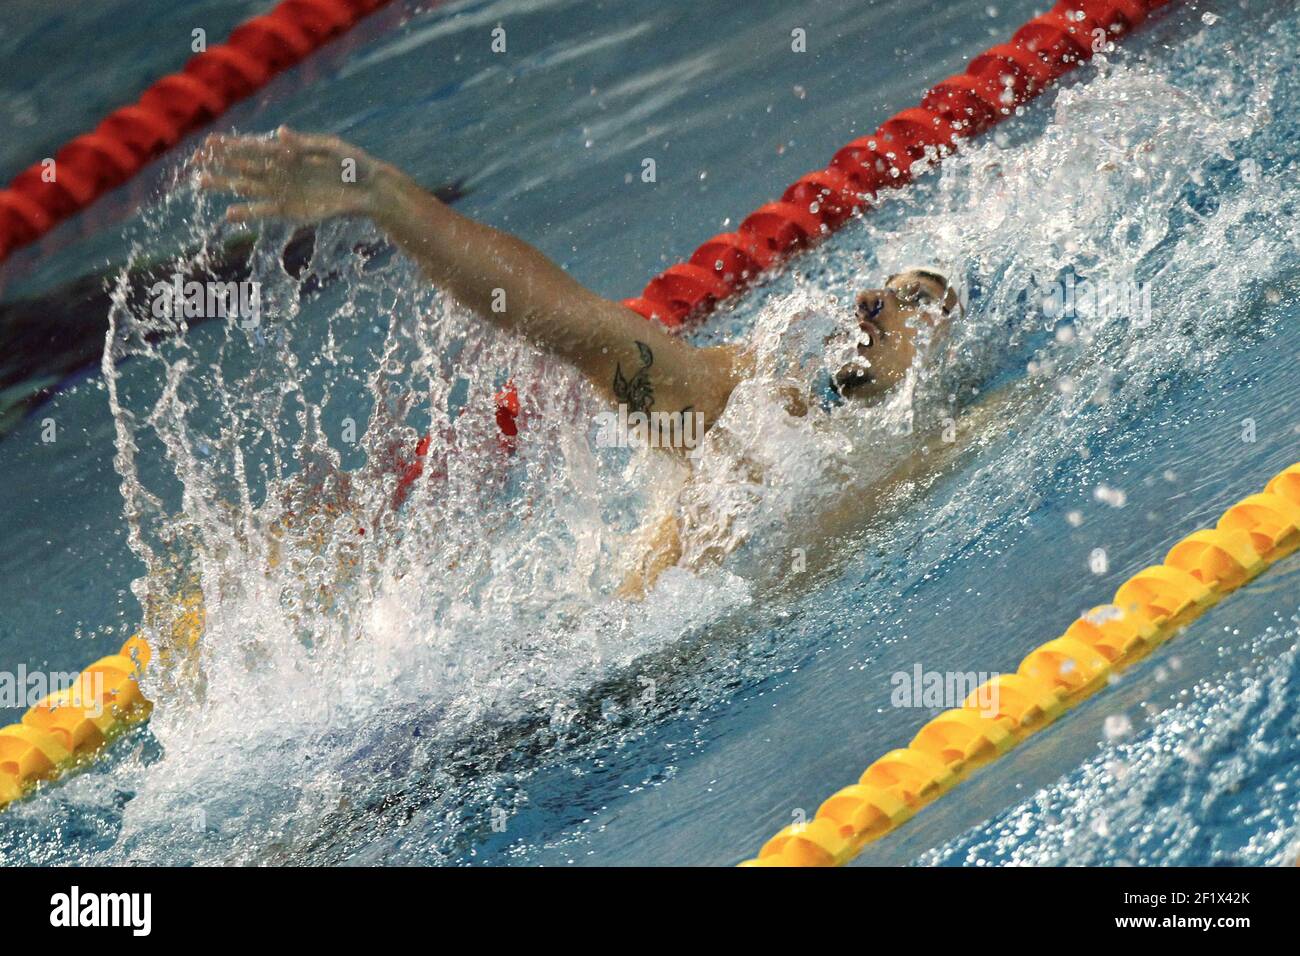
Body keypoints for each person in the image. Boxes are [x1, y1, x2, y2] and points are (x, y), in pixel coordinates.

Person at [197, 128, 989, 598]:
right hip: (583, 702)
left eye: (911, 300)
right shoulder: (746, 408)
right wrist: (391, 201)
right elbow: (575, 327)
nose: (872, 304)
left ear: (938, 352)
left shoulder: (949, 444)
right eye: (882, 287)